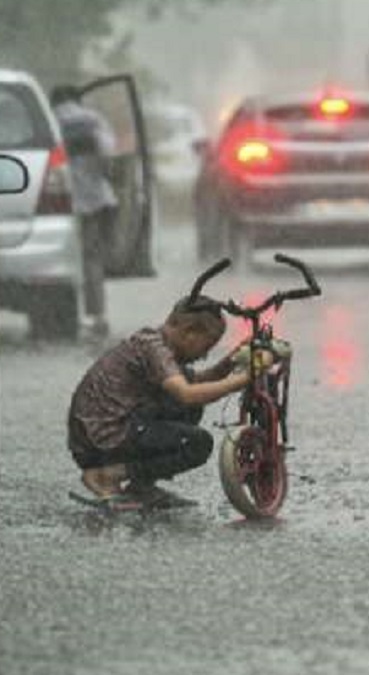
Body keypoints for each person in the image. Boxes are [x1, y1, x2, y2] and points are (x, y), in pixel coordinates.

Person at [66, 295, 270, 507]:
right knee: (198, 443)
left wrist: (231, 361)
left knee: (188, 410)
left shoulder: (154, 341)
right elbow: (187, 393)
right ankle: (107, 476)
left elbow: (196, 382)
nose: (205, 355)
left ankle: (140, 486)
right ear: (190, 332)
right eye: (207, 345)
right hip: (103, 439)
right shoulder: (156, 349)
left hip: (98, 436)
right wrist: (244, 379)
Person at [50, 84, 116, 340]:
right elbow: (108, 154)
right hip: (95, 200)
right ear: (77, 99)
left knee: (61, 262)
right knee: (92, 259)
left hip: (58, 203)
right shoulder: (93, 119)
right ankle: (96, 316)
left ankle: (61, 317)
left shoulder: (50, 118)